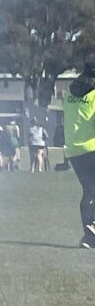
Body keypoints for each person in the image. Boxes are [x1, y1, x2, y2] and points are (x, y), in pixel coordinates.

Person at [62, 72, 95, 248]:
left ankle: (89, 238)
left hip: (74, 150)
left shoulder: (68, 93)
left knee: (89, 191)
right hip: (92, 147)